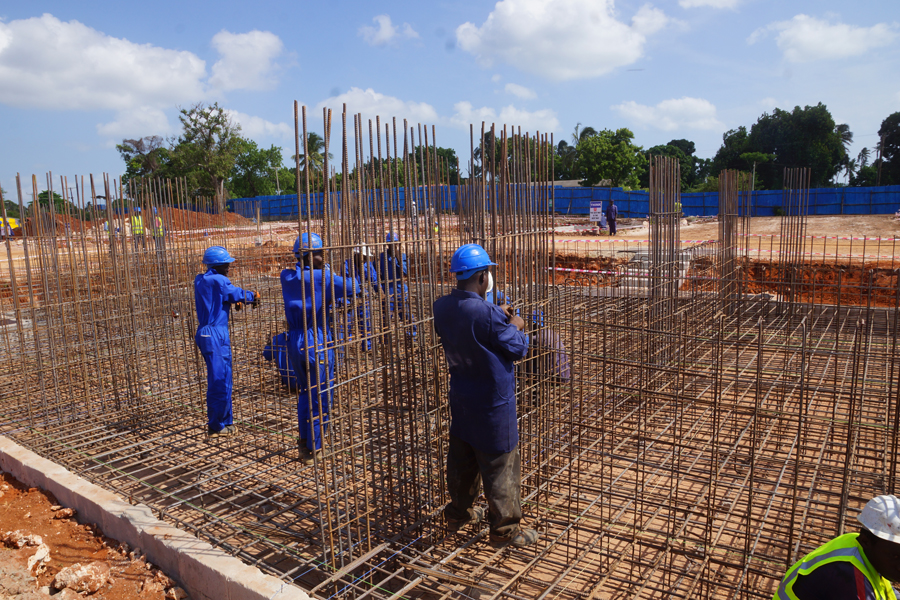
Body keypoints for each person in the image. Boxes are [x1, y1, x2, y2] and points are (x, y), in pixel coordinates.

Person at [432, 243, 539, 548]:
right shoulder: (487, 314)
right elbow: (517, 348)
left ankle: (459, 515)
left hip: (463, 397)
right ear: (482, 277)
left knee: (463, 459)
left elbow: (471, 323)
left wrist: (495, 315)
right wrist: (515, 324)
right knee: (500, 465)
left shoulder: (442, 306)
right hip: (493, 403)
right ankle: (505, 530)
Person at [281, 233, 358, 464]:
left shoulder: (286, 276)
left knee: (306, 391)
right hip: (316, 339)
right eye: (320, 254)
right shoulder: (323, 277)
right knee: (321, 394)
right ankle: (315, 447)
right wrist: (330, 272)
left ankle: (304, 442)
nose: (323, 257)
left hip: (295, 340)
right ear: (308, 256)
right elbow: (353, 287)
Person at [774, 495, 900, 599]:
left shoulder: (865, 549)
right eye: (895, 556)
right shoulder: (847, 577)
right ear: (865, 541)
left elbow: (888, 592)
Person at [194, 246, 259, 437]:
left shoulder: (200, 279)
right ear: (216, 266)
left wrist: (229, 299)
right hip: (215, 334)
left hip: (205, 332)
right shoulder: (219, 280)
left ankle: (225, 421)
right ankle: (216, 425)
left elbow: (222, 296)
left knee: (223, 377)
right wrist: (253, 296)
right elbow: (237, 293)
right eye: (225, 265)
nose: (228, 268)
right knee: (219, 381)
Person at [378, 232, 416, 337]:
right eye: (390, 244)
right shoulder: (382, 256)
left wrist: (399, 260)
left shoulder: (402, 256)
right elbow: (376, 271)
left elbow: (405, 272)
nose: (393, 246)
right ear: (387, 244)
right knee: (386, 317)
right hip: (387, 290)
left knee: (406, 314)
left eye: (395, 244)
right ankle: (386, 338)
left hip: (400, 289)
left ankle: (411, 335)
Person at [341, 245, 379, 352]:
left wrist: (379, 291)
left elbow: (374, 280)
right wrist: (357, 290)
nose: (366, 259)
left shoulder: (368, 265)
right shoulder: (346, 264)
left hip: (363, 297)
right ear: (357, 255)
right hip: (349, 297)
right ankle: (344, 349)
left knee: (366, 323)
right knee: (347, 324)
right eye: (364, 257)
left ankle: (367, 347)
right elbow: (345, 282)